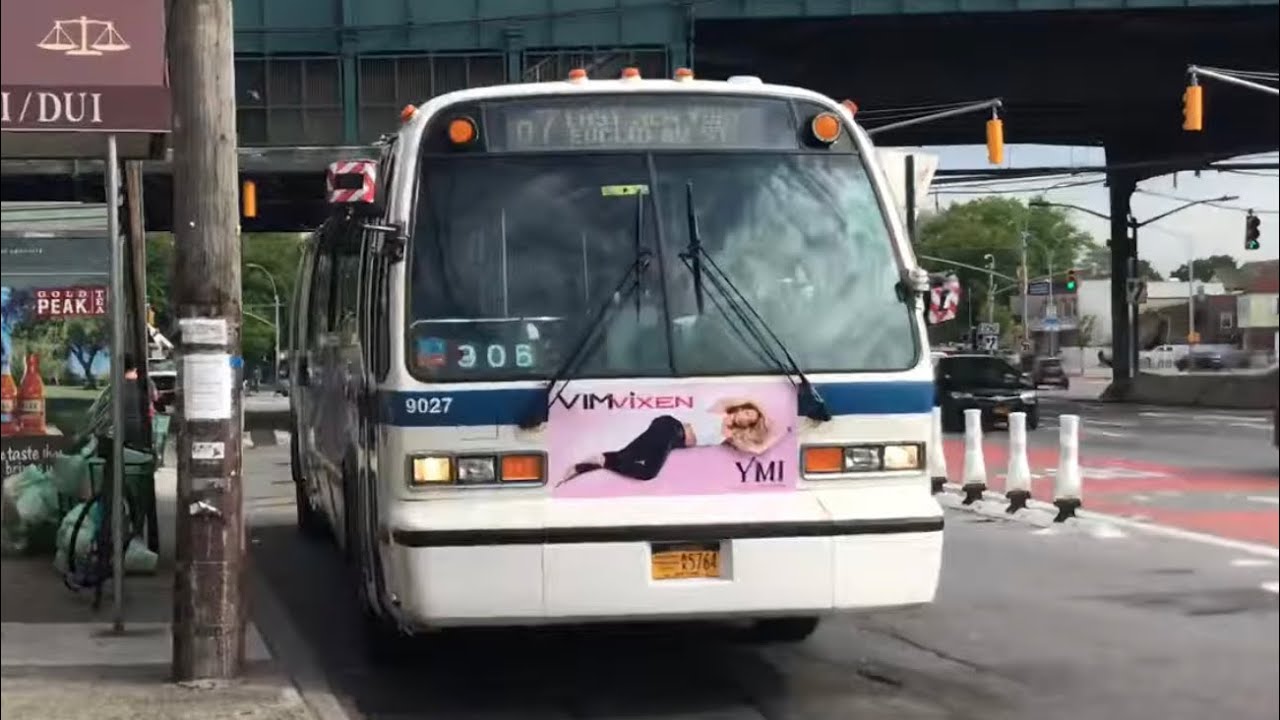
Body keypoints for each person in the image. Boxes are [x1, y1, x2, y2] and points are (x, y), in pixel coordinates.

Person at [558, 397, 778, 486]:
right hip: (671, 428)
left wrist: (781, 434)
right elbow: (746, 399)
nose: (745, 417)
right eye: (747, 412)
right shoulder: (721, 409)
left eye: (750, 419)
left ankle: (580, 468)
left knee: (625, 457)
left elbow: (757, 449)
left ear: (748, 425)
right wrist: (762, 410)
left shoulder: (729, 437)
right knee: (648, 472)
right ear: (740, 409)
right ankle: (599, 462)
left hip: (670, 438)